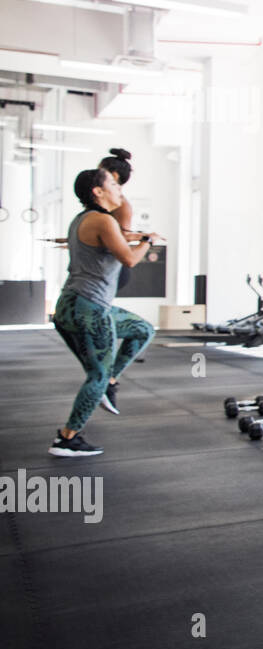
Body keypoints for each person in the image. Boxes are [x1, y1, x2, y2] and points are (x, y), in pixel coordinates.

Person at [50, 168, 158, 457]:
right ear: (97, 191)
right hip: (90, 308)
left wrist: (136, 236)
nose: (118, 187)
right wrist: (148, 242)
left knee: (143, 329)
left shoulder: (83, 219)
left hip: (69, 307)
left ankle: (110, 382)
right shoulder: (103, 220)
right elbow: (129, 259)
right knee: (96, 375)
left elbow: (116, 242)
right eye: (112, 182)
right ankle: (67, 438)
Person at [99, 148, 142, 299]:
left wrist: (145, 239)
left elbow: (123, 236)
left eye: (100, 173)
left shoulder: (122, 205)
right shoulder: (105, 204)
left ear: (114, 176)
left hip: (115, 268)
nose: (96, 177)